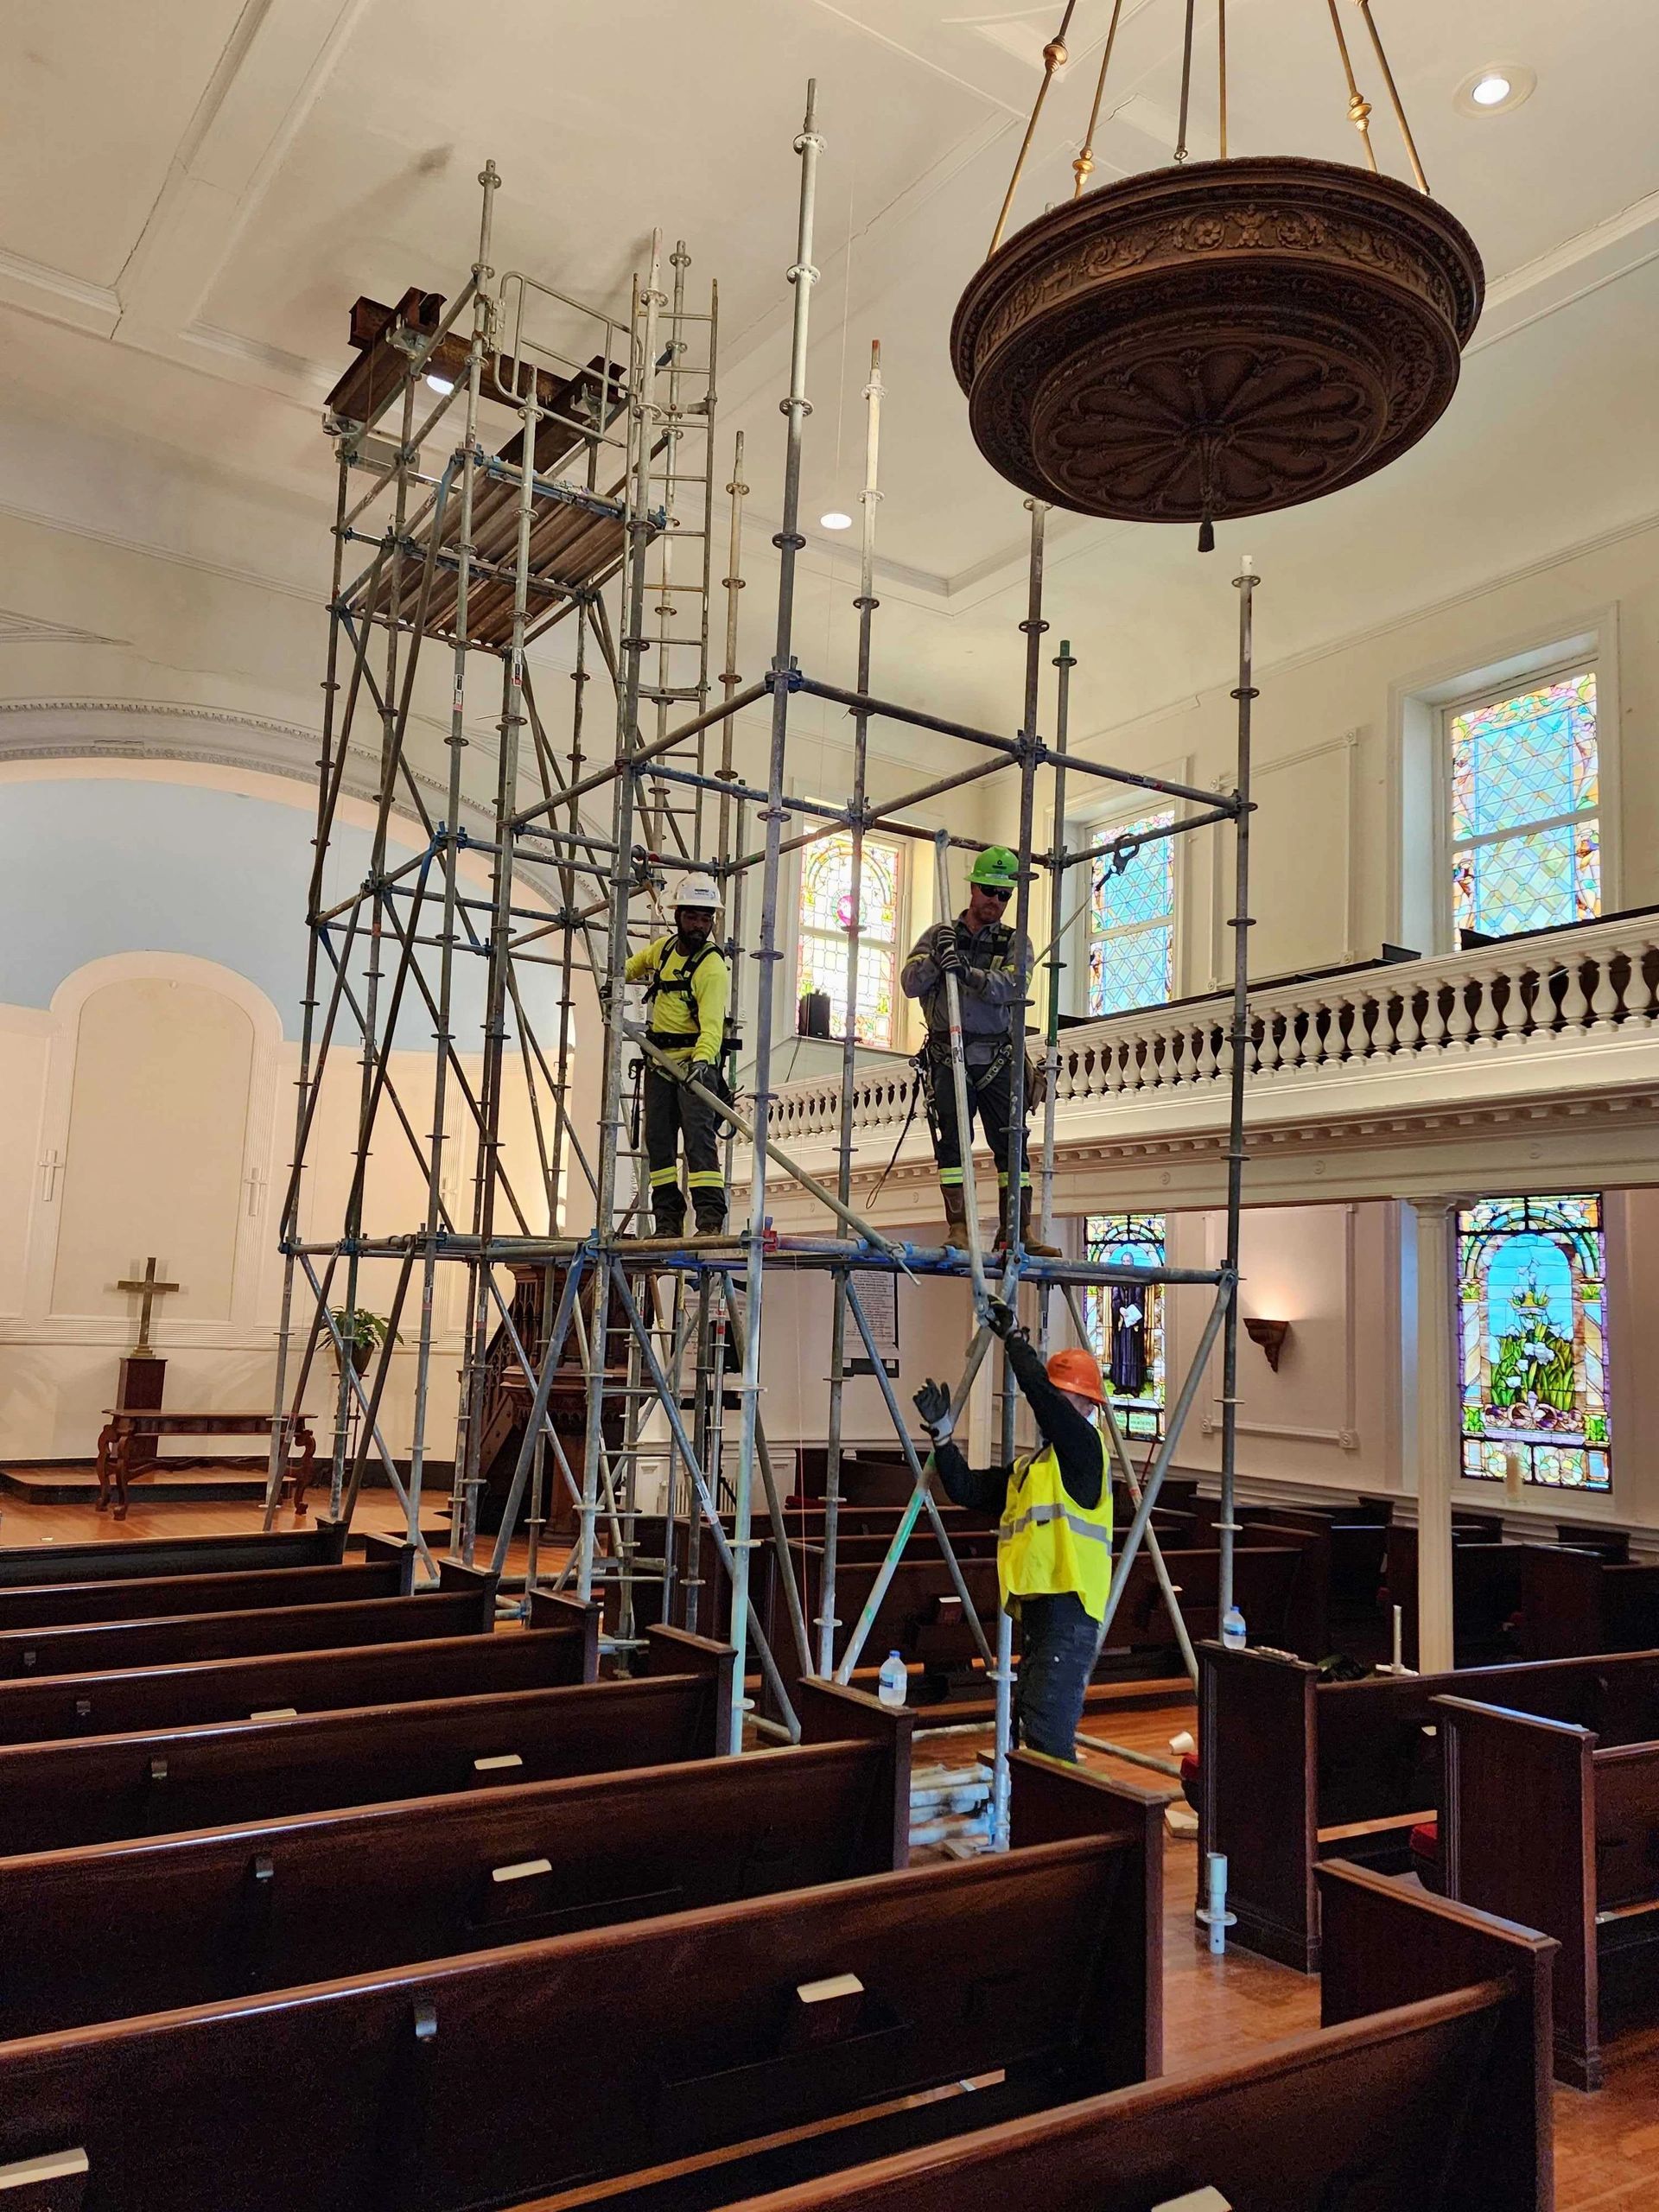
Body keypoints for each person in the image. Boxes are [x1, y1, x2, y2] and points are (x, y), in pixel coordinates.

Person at [912, 1298, 1111, 1761]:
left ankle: (1062, 1805)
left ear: (1087, 1407)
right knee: (1029, 1726)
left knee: (1047, 1732)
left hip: (1071, 1610)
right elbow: (966, 1489)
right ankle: (1036, 1801)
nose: (1054, 1407)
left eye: (1066, 1398)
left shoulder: (1086, 1453)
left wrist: (1015, 1341)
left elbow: (1045, 1404)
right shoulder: (1030, 1470)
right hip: (1040, 1614)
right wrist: (943, 1435)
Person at [899, 846, 1058, 1255]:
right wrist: (938, 960)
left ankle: (1017, 1230)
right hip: (947, 1055)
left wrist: (968, 973)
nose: (996, 901)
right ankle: (960, 1228)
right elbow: (910, 984)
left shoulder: (1014, 941)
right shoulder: (938, 935)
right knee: (953, 1144)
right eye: (990, 891)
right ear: (973, 888)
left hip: (996, 1057)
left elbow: (1013, 986)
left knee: (1012, 1144)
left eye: (1005, 895)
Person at [624, 870, 731, 1238]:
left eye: (706, 918)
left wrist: (701, 1063)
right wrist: (615, 980)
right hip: (659, 1063)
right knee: (659, 1143)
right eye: (692, 917)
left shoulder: (712, 967)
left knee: (699, 1142)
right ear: (678, 916)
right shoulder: (664, 950)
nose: (700, 925)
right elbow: (634, 965)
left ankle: (710, 1221)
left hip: (694, 1065)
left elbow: (712, 1026)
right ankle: (667, 1223)